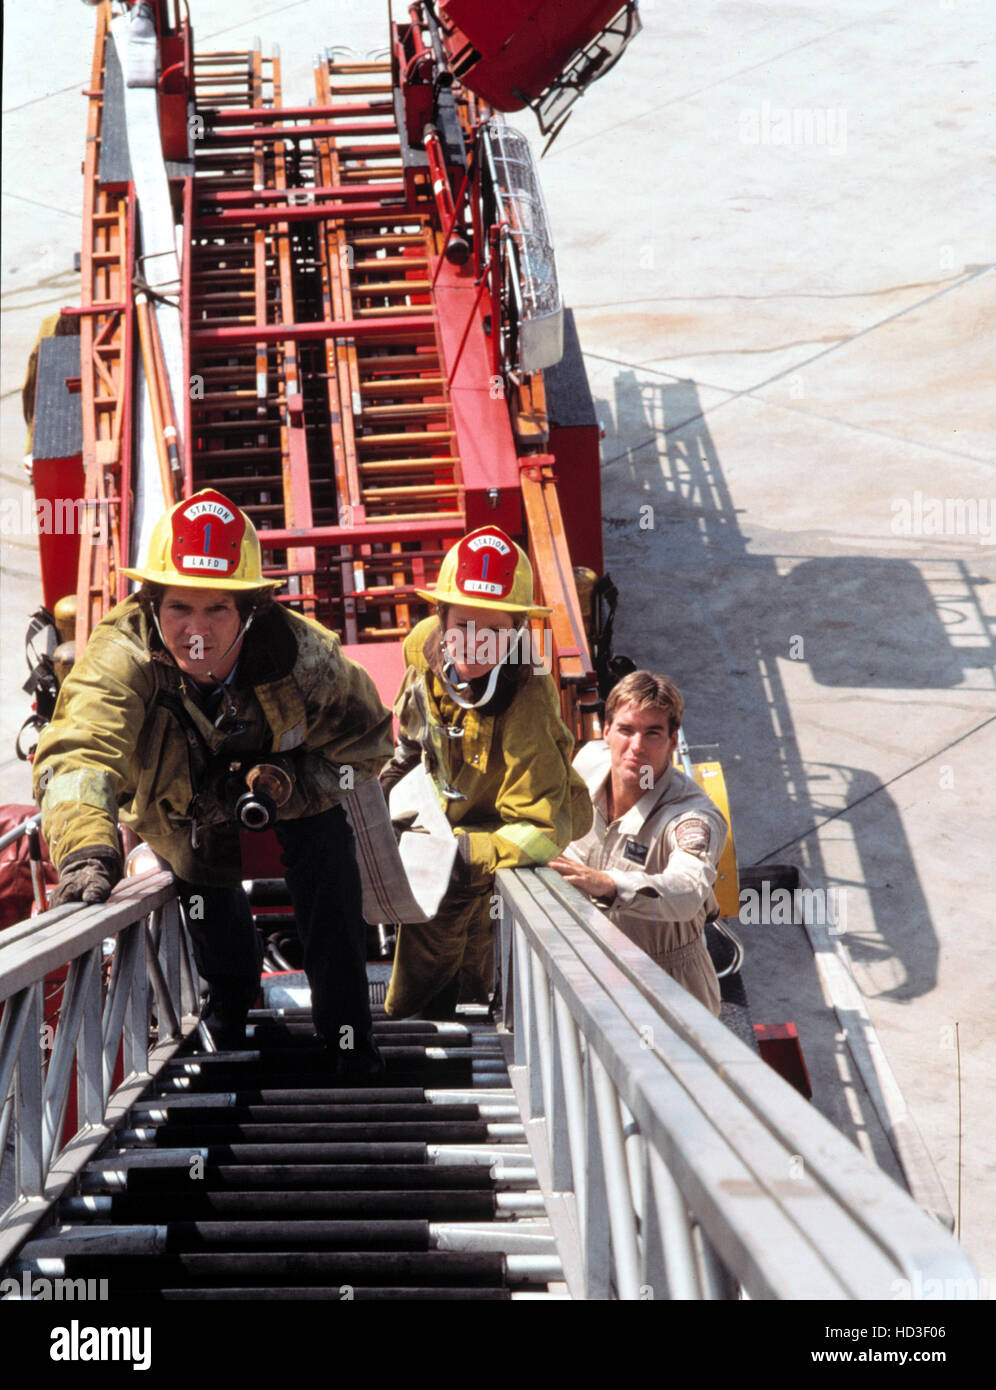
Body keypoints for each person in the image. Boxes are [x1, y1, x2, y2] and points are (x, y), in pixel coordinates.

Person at [32, 489, 394, 1078]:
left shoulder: (306, 658)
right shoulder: (119, 653)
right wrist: (87, 849)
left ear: (249, 611)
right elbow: (80, 750)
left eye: (216, 611)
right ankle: (228, 1011)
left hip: (293, 793)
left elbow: (369, 745)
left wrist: (292, 785)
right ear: (150, 606)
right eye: (178, 609)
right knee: (205, 900)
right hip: (179, 808)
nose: (195, 632)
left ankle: (349, 1039)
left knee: (329, 871)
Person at [380, 525, 593, 1019]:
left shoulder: (528, 698)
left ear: (517, 632)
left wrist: (465, 853)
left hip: (515, 822)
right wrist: (389, 786)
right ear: (440, 618)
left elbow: (536, 826)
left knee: (462, 912)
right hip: (446, 813)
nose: (474, 645)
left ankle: (450, 1017)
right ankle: (424, 1020)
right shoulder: (422, 647)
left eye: (494, 633)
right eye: (464, 627)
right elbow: (415, 731)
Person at [549, 670, 725, 1015]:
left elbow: (688, 891)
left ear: (673, 741)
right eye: (626, 730)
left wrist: (610, 884)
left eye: (653, 733)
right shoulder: (586, 764)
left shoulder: (691, 818)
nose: (636, 747)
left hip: (667, 982)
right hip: (589, 968)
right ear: (607, 731)